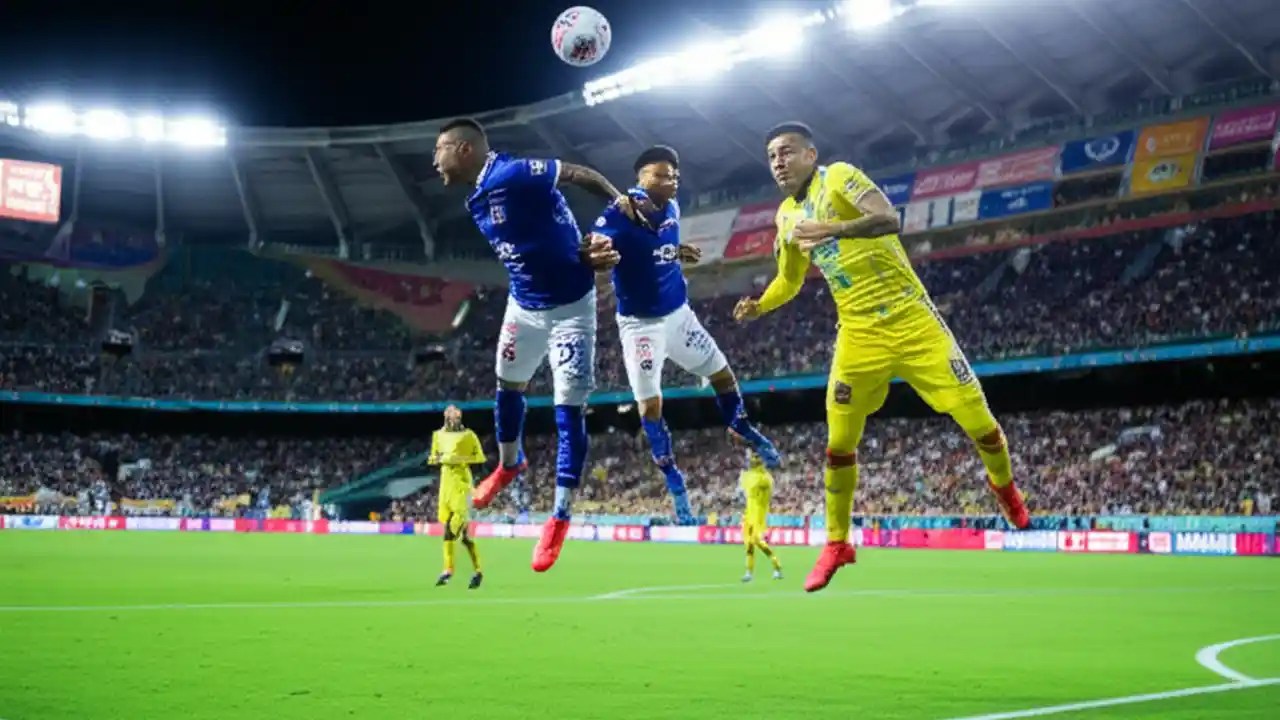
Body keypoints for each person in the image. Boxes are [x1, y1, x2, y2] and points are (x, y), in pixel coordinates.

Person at [733, 121, 1030, 593]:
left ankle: (1004, 488)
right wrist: (759, 304)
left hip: (914, 322)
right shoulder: (786, 218)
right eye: (771, 157)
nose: (778, 163)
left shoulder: (840, 177)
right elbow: (789, 280)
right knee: (838, 440)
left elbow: (889, 219)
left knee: (978, 420)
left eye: (787, 152)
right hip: (858, 333)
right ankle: (836, 543)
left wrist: (833, 228)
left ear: (811, 154)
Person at [434, 117, 640, 572]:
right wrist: (577, 248)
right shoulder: (475, 197)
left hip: (571, 309)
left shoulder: (511, 173)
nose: (434, 162)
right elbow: (542, 237)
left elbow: (576, 174)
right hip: (523, 307)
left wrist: (617, 204)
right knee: (507, 388)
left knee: (568, 409)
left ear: (463, 149)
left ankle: (559, 517)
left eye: (440, 150)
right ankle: (510, 465)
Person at [591, 145, 779, 525]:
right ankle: (674, 480)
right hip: (641, 325)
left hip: (679, 316)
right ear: (640, 177)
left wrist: (678, 251)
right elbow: (593, 245)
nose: (670, 181)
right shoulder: (621, 212)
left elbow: (654, 248)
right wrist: (595, 258)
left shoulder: (673, 208)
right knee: (649, 406)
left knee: (723, 374)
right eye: (660, 175)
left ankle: (742, 425)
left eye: (674, 175)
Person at [428, 405, 486, 590]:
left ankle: (448, 570)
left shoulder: (468, 436)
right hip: (446, 485)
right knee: (464, 537)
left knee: (451, 530)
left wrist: (459, 459)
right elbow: (433, 457)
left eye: (456, 417)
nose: (453, 419)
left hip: (462, 486)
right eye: (450, 417)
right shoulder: (438, 435)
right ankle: (478, 572)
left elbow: (480, 458)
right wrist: (437, 459)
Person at [738, 449, 783, 582]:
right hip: (748, 515)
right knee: (750, 544)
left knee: (755, 542)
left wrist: (743, 479)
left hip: (758, 516)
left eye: (753, 458)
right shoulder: (750, 475)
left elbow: (758, 489)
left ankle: (775, 567)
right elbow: (744, 492)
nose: (750, 461)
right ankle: (751, 572)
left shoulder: (765, 478)